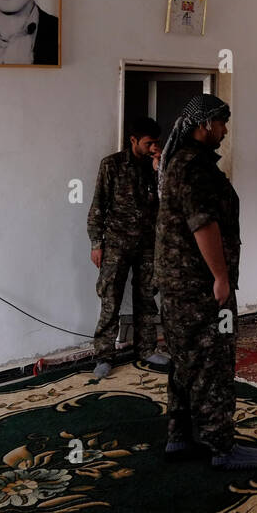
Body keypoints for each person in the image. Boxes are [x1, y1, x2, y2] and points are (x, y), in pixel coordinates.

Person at [155, 94, 257, 471]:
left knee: (184, 360)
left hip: (175, 286)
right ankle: (221, 446)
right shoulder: (195, 168)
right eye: (221, 123)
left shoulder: (179, 162)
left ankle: (180, 436)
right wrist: (220, 277)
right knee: (213, 362)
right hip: (199, 287)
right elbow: (204, 224)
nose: (224, 130)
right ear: (204, 125)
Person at [87, 116, 166, 377]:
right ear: (133, 140)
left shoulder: (157, 167)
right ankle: (104, 355)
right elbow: (98, 206)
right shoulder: (112, 165)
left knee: (146, 297)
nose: (152, 147)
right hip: (116, 244)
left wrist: (160, 168)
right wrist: (96, 243)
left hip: (147, 243)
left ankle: (146, 349)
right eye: (148, 143)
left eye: (156, 142)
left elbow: (169, 202)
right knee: (110, 298)